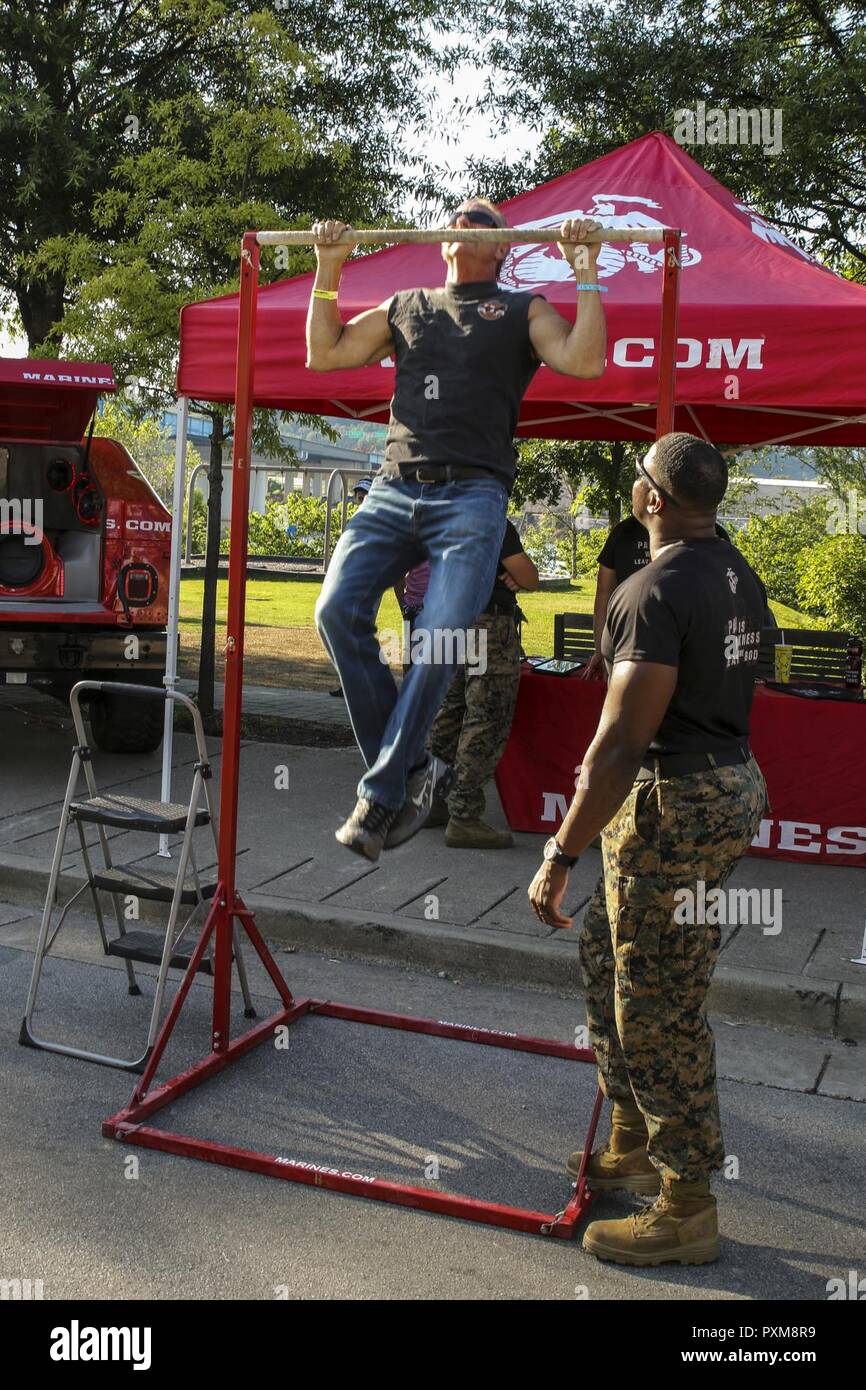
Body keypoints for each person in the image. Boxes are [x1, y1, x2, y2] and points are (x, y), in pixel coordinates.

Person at [527, 432, 769, 1267]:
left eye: (638, 478)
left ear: (653, 499)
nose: (633, 487)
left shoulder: (651, 587)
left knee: (658, 1003)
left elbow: (619, 746)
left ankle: (686, 1205)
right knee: (608, 953)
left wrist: (559, 852)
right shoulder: (737, 572)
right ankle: (630, 1136)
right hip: (725, 782)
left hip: (677, 801)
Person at [309, 198, 607, 860]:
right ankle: (411, 772)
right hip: (394, 486)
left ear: (503, 249)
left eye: (481, 218)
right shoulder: (406, 304)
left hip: (472, 495)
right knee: (334, 611)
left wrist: (583, 270)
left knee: (442, 638)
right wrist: (329, 269)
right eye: (458, 214)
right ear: (445, 241)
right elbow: (325, 353)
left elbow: (585, 362)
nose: (464, 218)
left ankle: (383, 795)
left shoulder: (524, 310)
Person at [425, 520, 539, 848]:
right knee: (484, 719)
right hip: (486, 626)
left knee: (449, 713)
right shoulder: (492, 520)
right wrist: (512, 576)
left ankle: (430, 801)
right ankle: (464, 816)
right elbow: (529, 577)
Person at [583, 512, 730, 682]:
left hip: (630, 646)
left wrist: (600, 651)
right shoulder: (713, 533)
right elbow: (726, 595)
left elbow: (603, 591)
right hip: (692, 649)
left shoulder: (623, 531)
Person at [329, 477, 374, 696]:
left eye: (364, 494)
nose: (360, 497)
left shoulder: (375, 521)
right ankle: (349, 684)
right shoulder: (358, 519)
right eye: (358, 494)